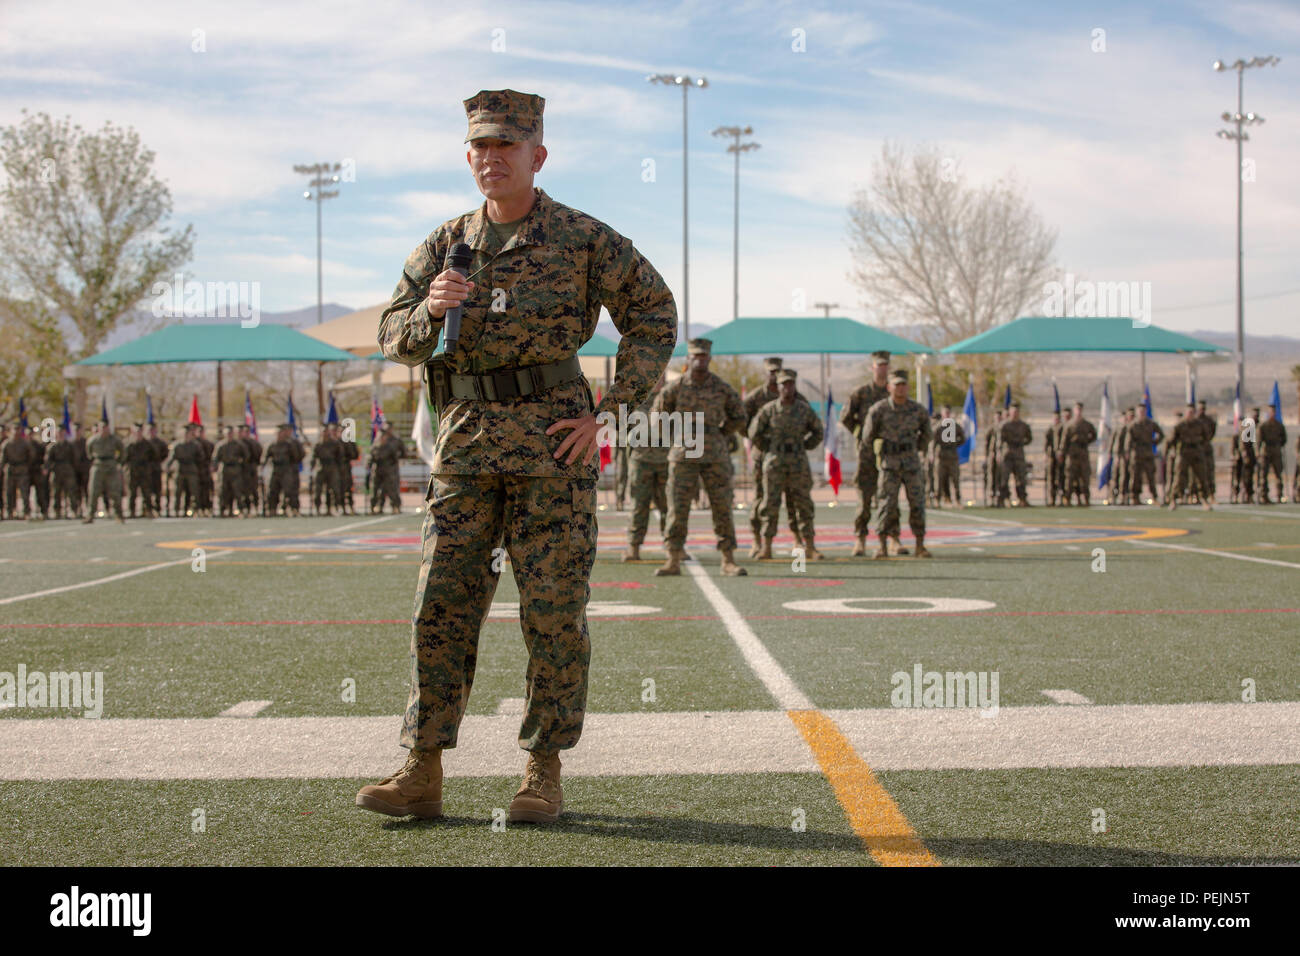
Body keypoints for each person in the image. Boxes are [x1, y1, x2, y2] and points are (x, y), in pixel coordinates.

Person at [359, 89, 675, 825]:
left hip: (550, 453)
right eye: (479, 146)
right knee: (440, 606)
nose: (491, 158)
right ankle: (423, 766)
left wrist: (614, 408)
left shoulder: (583, 239)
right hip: (465, 451)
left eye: (507, 145)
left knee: (553, 611)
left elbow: (654, 314)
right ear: (467, 156)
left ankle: (543, 769)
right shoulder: (444, 246)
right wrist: (431, 309)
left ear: (538, 155)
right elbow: (392, 337)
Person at [654, 338, 747, 577]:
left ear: (709, 359)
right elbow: (658, 413)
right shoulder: (676, 388)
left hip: (715, 455)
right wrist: (675, 436)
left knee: (722, 506)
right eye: (695, 356)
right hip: (683, 454)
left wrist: (720, 433)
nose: (699, 360)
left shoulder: (721, 387)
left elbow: (739, 415)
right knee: (677, 507)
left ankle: (728, 559)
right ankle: (673, 559)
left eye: (703, 356)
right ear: (688, 359)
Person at [748, 369, 824, 560]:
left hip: (798, 464)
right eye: (784, 384)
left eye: (790, 384)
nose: (787, 388)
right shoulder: (769, 410)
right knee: (770, 505)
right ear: (778, 387)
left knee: (803, 504)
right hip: (774, 463)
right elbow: (754, 433)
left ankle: (810, 546)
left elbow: (818, 431)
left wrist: (805, 445)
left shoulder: (803, 409)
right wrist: (768, 447)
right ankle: (766, 547)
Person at [863, 369, 931, 558]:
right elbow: (867, 437)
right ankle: (883, 545)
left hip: (911, 464)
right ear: (889, 387)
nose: (901, 388)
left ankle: (920, 545)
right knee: (887, 504)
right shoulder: (879, 409)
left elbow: (927, 434)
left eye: (903, 385)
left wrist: (915, 448)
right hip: (889, 464)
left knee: (917, 503)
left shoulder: (918, 410)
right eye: (897, 385)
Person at [743, 357, 806, 555]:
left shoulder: (798, 398)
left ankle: (798, 538)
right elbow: (741, 421)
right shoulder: (755, 398)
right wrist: (761, 443)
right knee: (762, 498)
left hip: (790, 458)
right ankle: (757, 540)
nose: (773, 374)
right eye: (770, 371)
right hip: (763, 455)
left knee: (793, 498)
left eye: (777, 371)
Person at [841, 351, 894, 556]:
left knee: (889, 497)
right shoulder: (861, 393)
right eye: (879, 365)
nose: (882, 368)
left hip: (890, 452)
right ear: (873, 368)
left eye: (885, 365)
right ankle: (860, 539)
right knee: (864, 497)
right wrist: (861, 434)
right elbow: (846, 417)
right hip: (867, 452)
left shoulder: (893, 392)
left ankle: (893, 538)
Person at [622, 371, 669, 562]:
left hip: (665, 462)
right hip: (641, 462)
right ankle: (633, 547)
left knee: (669, 507)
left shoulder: (671, 400)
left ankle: (673, 547)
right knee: (639, 506)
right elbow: (622, 432)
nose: (657, 382)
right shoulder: (634, 402)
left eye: (661, 378)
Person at [1169, 402, 1211, 510]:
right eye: (1189, 412)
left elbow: (1207, 437)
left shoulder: (1200, 424)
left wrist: (1201, 447)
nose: (1191, 414)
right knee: (1179, 477)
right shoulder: (1180, 425)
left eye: (1193, 412)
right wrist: (1173, 451)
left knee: (1201, 477)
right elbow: (1171, 439)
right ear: (1186, 413)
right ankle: (1174, 499)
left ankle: (1204, 499)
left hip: (1197, 453)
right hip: (1184, 453)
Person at [84, 420, 125, 523]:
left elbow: (123, 451)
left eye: (105, 428)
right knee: (93, 491)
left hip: (111, 466)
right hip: (98, 466)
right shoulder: (93, 440)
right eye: (102, 428)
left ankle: (118, 515)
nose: (104, 430)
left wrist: (118, 462)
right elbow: (89, 453)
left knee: (115, 491)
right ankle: (90, 515)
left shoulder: (114, 440)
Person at [1126, 403, 1163, 505]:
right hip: (1136, 455)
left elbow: (1161, 434)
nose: (1142, 413)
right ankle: (1134, 497)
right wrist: (1129, 451)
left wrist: (1154, 442)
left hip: (1148, 454)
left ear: (1146, 412)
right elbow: (1128, 441)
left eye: (1143, 411)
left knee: (1151, 476)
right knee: (1135, 477)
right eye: (1140, 411)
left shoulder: (1151, 424)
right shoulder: (1133, 425)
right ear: (1137, 412)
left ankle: (1154, 497)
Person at [996, 402, 1032, 507]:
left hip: (1019, 455)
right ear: (1010, 412)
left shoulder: (1023, 425)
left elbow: (1029, 438)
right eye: (1013, 411)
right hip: (1007, 455)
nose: (1015, 413)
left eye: (1017, 411)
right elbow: (999, 441)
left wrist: (1021, 443)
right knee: (1004, 478)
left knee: (1021, 478)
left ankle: (1022, 499)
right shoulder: (1005, 425)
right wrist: (999, 452)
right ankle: (1005, 499)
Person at [266, 424, 305, 515]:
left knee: (290, 490)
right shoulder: (273, 444)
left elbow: (298, 456)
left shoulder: (291, 443)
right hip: (276, 470)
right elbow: (267, 456)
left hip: (287, 470)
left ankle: (292, 508)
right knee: (273, 490)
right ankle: (272, 509)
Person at [1063, 401, 1096, 506]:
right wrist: (1062, 452)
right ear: (1074, 410)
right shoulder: (1069, 425)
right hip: (1072, 455)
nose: (1079, 411)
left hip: (1083, 454)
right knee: (1070, 478)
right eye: (1077, 409)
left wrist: (1086, 441)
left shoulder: (1087, 424)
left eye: (1080, 409)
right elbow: (1064, 441)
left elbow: (1094, 435)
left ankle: (1086, 499)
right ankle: (1067, 498)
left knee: (1084, 478)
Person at [368, 423, 405, 514]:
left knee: (391, 490)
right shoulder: (374, 447)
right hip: (377, 472)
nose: (381, 438)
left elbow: (395, 458)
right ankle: (374, 507)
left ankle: (396, 507)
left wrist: (392, 466)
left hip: (389, 472)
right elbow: (370, 458)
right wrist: (369, 463)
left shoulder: (390, 446)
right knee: (375, 490)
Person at [213, 425, 248, 517]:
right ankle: (223, 510)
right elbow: (215, 458)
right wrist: (214, 468)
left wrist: (242, 465)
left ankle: (240, 509)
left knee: (237, 491)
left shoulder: (239, 445)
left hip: (236, 470)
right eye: (228, 434)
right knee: (223, 491)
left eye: (231, 433)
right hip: (224, 470)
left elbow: (246, 456)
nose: (229, 435)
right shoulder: (221, 445)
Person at [167, 424, 201, 516]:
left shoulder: (195, 445)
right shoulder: (176, 445)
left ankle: (195, 509)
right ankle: (177, 510)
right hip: (180, 470)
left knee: (193, 491)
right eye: (185, 433)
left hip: (191, 469)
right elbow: (171, 458)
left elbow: (200, 458)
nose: (186, 435)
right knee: (178, 491)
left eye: (188, 433)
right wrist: (167, 467)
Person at [46, 426, 80, 519]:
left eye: (62, 432)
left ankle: (74, 510)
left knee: (71, 491)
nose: (60, 434)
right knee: (56, 492)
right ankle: (57, 511)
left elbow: (75, 458)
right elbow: (48, 460)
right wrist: (49, 468)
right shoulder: (52, 446)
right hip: (56, 472)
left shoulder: (70, 446)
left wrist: (73, 469)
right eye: (59, 432)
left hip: (68, 471)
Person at [1, 423, 34, 520]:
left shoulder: (25, 443)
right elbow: (3, 459)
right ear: (11, 431)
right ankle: (10, 511)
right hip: (10, 470)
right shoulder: (6, 444)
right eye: (14, 429)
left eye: (18, 429)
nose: (16, 431)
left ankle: (26, 512)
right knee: (9, 492)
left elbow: (31, 456)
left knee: (24, 492)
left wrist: (27, 467)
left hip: (22, 469)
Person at [934, 404, 965, 506]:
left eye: (948, 412)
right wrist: (932, 453)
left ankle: (958, 500)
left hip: (952, 456)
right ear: (942, 413)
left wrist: (955, 444)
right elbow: (932, 441)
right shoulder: (938, 427)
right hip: (941, 457)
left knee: (955, 480)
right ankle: (937, 500)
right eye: (945, 412)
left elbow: (963, 438)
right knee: (939, 480)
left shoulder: (955, 426)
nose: (946, 414)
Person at [124, 423, 156, 518]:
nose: (138, 433)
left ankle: (148, 510)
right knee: (132, 493)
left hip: (144, 471)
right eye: (136, 431)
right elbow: (123, 458)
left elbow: (153, 456)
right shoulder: (128, 444)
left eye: (140, 431)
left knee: (146, 493)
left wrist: (148, 466)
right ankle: (132, 511)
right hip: (132, 472)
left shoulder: (147, 444)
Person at [1258, 404, 1287, 504]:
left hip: (1276, 452)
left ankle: (1280, 495)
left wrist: (1278, 446)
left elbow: (1284, 439)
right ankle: (1264, 496)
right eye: (1271, 412)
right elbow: (1259, 441)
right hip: (1266, 453)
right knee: (1263, 475)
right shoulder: (1263, 426)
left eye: (1274, 412)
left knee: (1278, 474)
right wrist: (1258, 453)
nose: (1273, 414)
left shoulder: (1279, 426)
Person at [147, 424, 169, 516]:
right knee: (147, 490)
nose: (151, 432)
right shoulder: (145, 442)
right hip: (146, 469)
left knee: (157, 489)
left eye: (153, 430)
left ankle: (158, 508)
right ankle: (147, 509)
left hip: (156, 468)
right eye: (150, 430)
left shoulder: (160, 443)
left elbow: (165, 454)